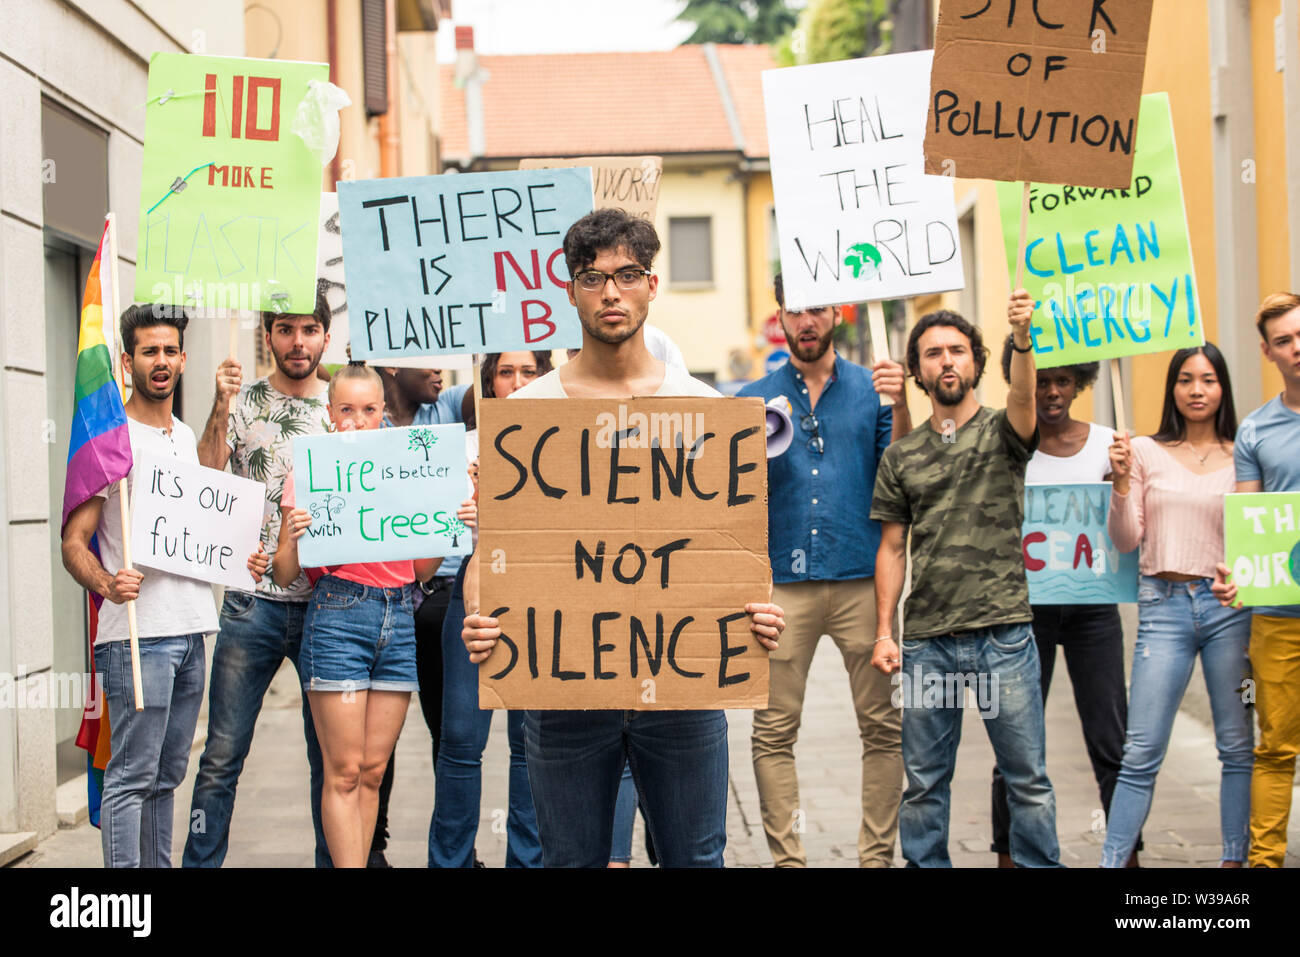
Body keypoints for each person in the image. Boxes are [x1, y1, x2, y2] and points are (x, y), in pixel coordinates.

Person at [460, 209, 786, 867]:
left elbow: (730, 551)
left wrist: (759, 610)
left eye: (627, 275)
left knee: (695, 858)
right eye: (593, 277)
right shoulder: (524, 420)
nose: (611, 292)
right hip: (564, 694)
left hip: (684, 693)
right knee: (571, 858)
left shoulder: (705, 414)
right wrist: (479, 615)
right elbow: (496, 553)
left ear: (652, 284)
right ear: (571, 288)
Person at [869, 292, 1061, 868]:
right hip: (927, 644)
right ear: (919, 371)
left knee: (1027, 779)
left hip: (1004, 637)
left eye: (957, 350)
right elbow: (893, 547)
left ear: (976, 361)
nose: (946, 361)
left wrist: (1023, 339)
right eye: (932, 354)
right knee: (925, 785)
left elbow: (1025, 394)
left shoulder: (1006, 432)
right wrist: (885, 632)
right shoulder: (901, 457)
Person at [269, 363, 474, 867]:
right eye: (346, 410)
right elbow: (281, 573)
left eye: (368, 409)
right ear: (329, 412)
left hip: (400, 617)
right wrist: (293, 534)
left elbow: (424, 570)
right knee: (343, 770)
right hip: (339, 616)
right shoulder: (311, 472)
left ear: (383, 413)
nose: (357, 421)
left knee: (373, 771)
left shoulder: (404, 469)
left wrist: (450, 515)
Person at [737, 273, 910, 868]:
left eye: (815, 309)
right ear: (780, 317)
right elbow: (731, 496)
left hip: (865, 581)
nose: (804, 321)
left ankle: (876, 861)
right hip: (782, 585)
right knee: (772, 732)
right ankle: (789, 862)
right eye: (792, 310)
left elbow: (904, 471)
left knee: (884, 729)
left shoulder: (875, 389)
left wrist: (903, 401)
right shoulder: (751, 399)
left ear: (837, 312)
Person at [185, 294, 350, 867]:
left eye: (309, 330)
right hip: (248, 604)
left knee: (328, 760)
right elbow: (205, 475)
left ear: (326, 337)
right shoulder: (243, 399)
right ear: (267, 335)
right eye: (286, 330)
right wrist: (219, 404)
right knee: (222, 758)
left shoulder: (344, 407)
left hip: (328, 608)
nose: (298, 342)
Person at [61, 304, 219, 867]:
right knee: (130, 776)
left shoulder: (183, 435)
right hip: (136, 634)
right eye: (149, 351)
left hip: (193, 627)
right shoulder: (110, 438)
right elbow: (73, 542)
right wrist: (108, 582)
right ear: (127, 360)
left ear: (183, 358)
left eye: (170, 350)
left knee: (167, 774)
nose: (161, 361)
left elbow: (203, 527)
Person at [1101, 344, 1253, 868]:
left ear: (1223, 388)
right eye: (1185, 379)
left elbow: (1257, 538)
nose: (1196, 390)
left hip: (1228, 613)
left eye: (1208, 380)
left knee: (1237, 747)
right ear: (1172, 388)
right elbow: (1125, 541)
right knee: (1140, 751)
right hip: (1162, 609)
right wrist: (1120, 482)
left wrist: (1249, 583)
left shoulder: (1245, 455)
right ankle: (1113, 861)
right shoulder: (1142, 450)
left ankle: (1234, 861)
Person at [987, 342, 1134, 867]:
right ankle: (1008, 856)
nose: (1052, 391)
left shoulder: (1106, 445)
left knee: (1112, 739)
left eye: (1065, 380)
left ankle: (1126, 855)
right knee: (1016, 744)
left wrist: (1121, 480)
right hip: (1025, 612)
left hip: (1094, 608)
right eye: (1042, 380)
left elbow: (1125, 535)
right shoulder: (1008, 445)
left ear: (1081, 383)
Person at [428, 351, 547, 868]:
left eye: (528, 371)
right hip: (471, 594)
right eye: (505, 371)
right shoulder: (460, 447)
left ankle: (526, 861)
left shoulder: (562, 442)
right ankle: (449, 861)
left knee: (529, 744)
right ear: (488, 380)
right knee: (459, 742)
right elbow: (429, 542)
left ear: (545, 377)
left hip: (537, 598)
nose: (516, 381)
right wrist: (463, 513)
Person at [1213, 292, 1300, 867]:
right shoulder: (1256, 430)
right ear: (1268, 352)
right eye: (1285, 341)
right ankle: (1265, 866)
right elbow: (1246, 523)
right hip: (1279, 616)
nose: (1298, 349)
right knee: (1276, 749)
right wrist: (1236, 575)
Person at [375, 363, 467, 865]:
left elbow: (495, 388)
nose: (439, 366)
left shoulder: (448, 407)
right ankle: (371, 846)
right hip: (379, 594)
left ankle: (455, 849)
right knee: (374, 740)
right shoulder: (365, 414)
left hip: (440, 596)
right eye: (427, 355)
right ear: (391, 360)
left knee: (449, 735)